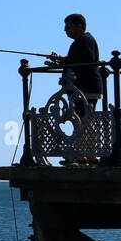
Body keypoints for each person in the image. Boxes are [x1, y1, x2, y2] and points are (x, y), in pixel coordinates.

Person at [47, 13, 102, 164]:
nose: (65, 30)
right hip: (87, 87)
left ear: (79, 26)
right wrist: (61, 61)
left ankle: (86, 154)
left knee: (83, 120)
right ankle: (86, 155)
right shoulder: (85, 41)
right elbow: (78, 60)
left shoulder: (82, 41)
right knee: (83, 119)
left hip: (85, 88)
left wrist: (62, 63)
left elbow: (83, 62)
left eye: (68, 26)